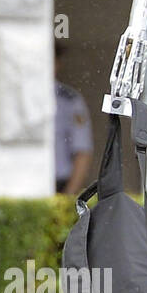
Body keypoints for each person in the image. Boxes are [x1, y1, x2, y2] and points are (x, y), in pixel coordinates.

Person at [53, 40, 94, 195]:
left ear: (56, 64)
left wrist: (68, 198)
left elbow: (82, 152)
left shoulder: (69, 100)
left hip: (59, 184)